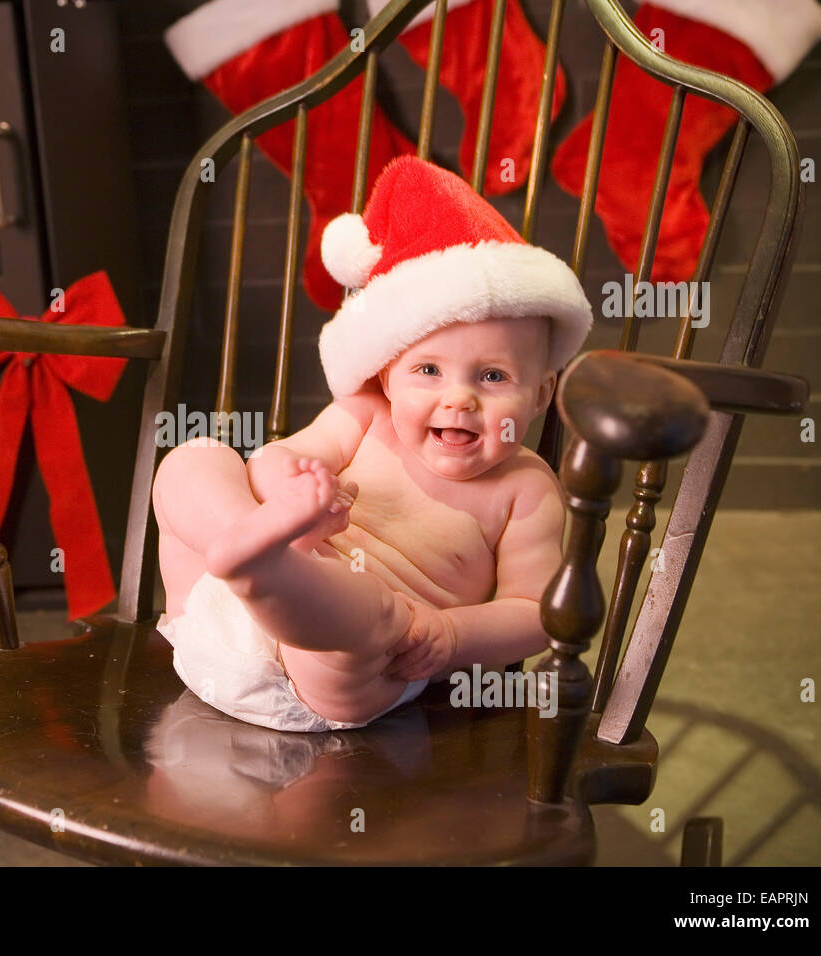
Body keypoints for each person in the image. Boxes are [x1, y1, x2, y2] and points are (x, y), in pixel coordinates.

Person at [153, 156, 593, 732]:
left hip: (339, 670)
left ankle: (263, 565)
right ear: (386, 375)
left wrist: (454, 636)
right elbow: (276, 458)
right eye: (429, 371)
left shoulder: (526, 491)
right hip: (212, 617)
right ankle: (252, 548)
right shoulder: (365, 417)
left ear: (541, 395)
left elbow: (538, 612)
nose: (459, 400)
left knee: (377, 611)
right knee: (196, 458)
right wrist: (295, 496)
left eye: (492, 377)